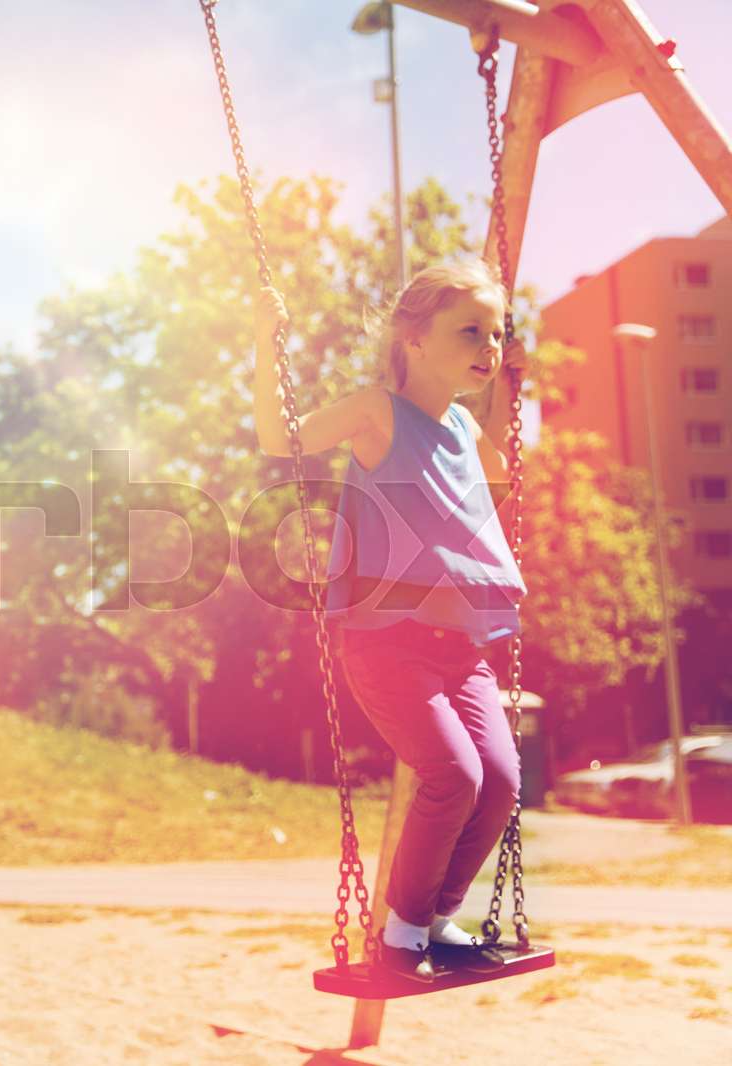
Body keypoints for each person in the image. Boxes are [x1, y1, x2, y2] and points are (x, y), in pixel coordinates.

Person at [253, 260, 527, 984]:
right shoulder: (377, 409)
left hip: (460, 649)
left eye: (496, 333)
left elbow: (497, 475)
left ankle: (435, 917)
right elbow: (282, 438)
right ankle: (401, 936)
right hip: (388, 645)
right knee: (453, 777)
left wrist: (518, 389)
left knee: (499, 780)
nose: (489, 345)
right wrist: (263, 338)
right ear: (413, 338)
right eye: (470, 330)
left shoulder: (466, 425)